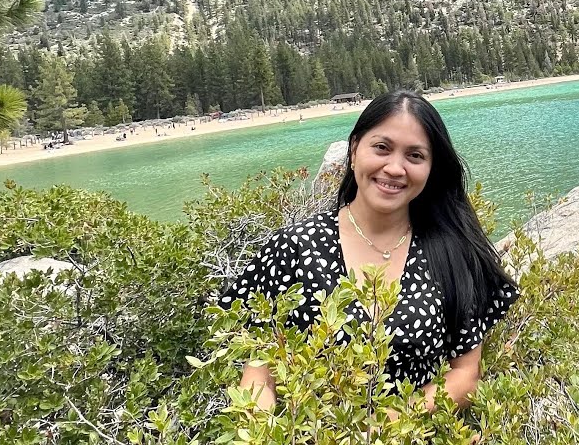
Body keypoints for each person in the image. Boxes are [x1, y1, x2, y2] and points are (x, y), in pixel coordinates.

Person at [218, 89, 518, 415]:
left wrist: (386, 426)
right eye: (382, 148)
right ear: (353, 150)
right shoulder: (292, 248)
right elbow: (258, 367)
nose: (394, 168)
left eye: (415, 156)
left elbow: (466, 373)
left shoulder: (450, 253)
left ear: (431, 169)